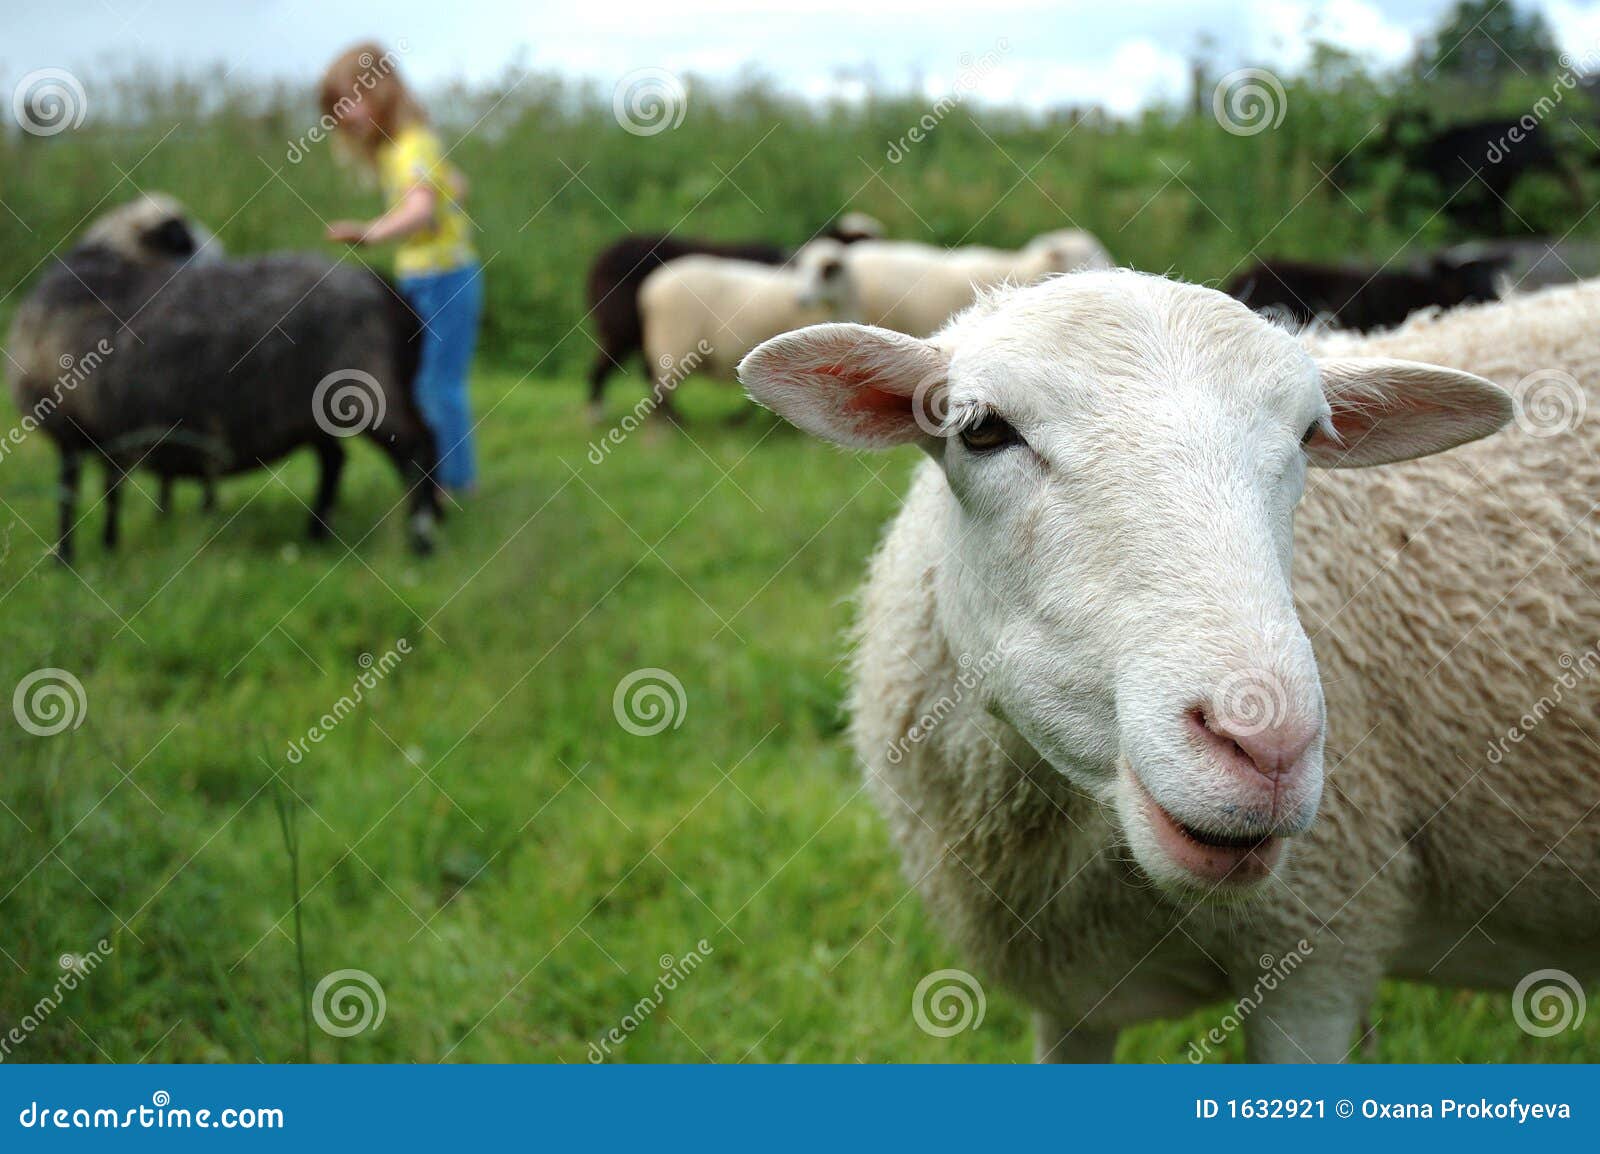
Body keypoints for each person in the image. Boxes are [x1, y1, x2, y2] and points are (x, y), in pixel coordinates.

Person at [319, 42, 482, 494]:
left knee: (437, 383)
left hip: (445, 278)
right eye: (338, 106)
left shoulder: (413, 145)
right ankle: (440, 476)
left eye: (353, 99)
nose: (346, 114)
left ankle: (455, 483)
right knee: (422, 381)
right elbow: (449, 187)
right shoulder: (404, 147)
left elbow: (421, 208)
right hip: (424, 277)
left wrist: (374, 232)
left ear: (384, 91)